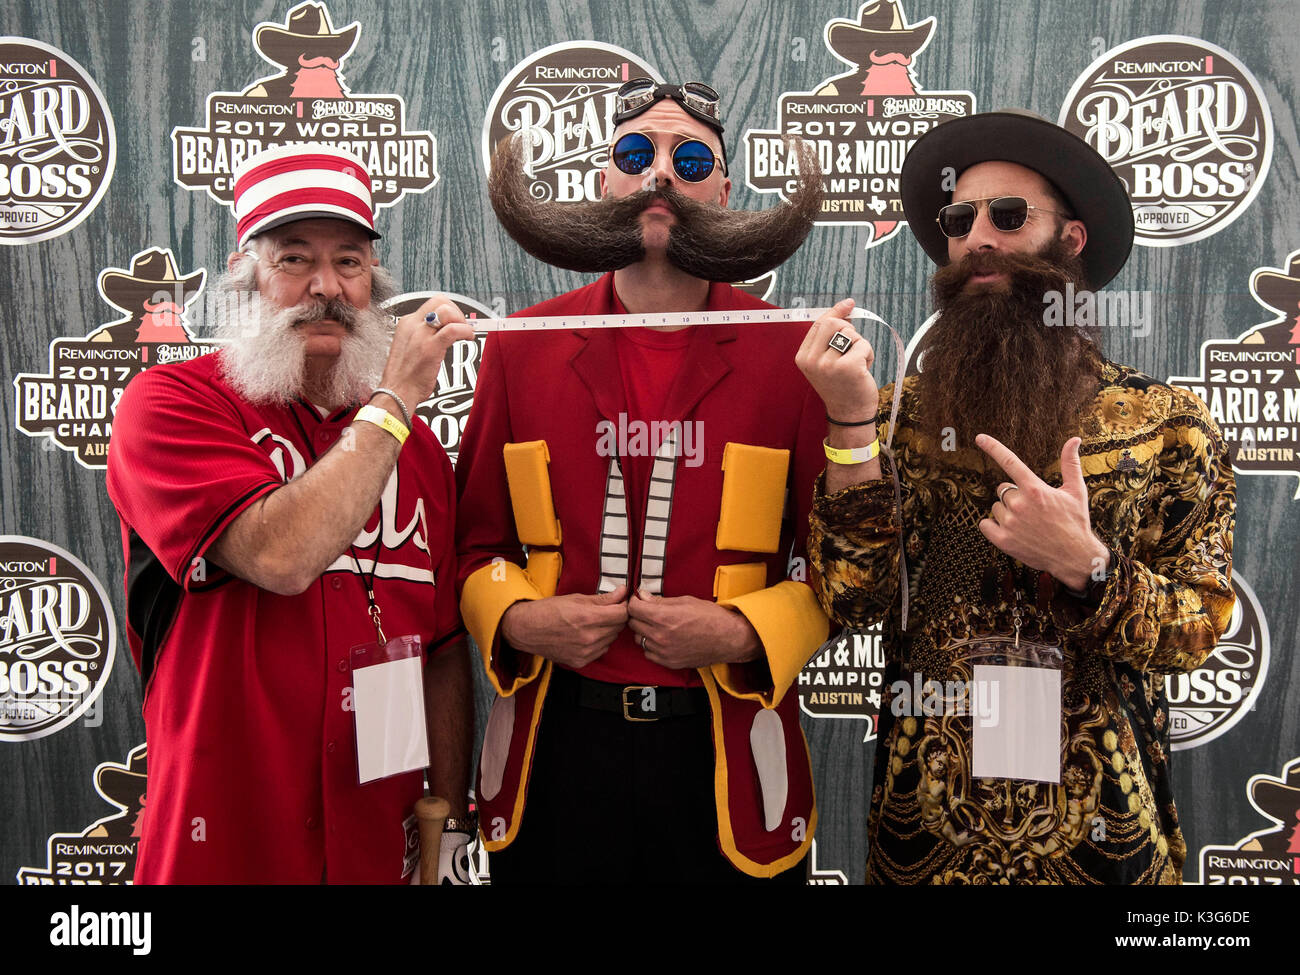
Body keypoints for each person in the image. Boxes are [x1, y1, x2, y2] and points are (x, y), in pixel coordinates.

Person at [798, 110, 1236, 884]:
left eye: (1008, 215)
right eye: (959, 219)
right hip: (927, 839)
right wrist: (848, 421)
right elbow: (852, 599)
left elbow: (1200, 627)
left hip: (1103, 838)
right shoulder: (895, 417)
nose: (978, 238)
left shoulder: (1169, 426)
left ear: (1070, 242)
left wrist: (1089, 567)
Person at [453, 80, 829, 882]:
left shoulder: (793, 352)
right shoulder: (521, 347)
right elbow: (472, 544)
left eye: (691, 159)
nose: (662, 175)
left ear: (723, 192)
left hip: (724, 760)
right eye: (636, 154)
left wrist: (744, 632)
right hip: (557, 753)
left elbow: (845, 569)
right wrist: (519, 619)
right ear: (604, 183)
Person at [106, 144, 477, 884]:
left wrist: (451, 813)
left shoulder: (421, 452)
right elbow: (282, 556)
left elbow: (439, 650)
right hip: (227, 838)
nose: (326, 287)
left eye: (349, 262)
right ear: (246, 280)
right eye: (294, 260)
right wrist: (396, 399)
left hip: (376, 837)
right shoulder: (173, 403)